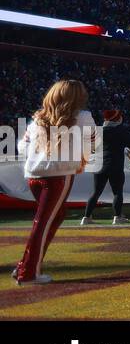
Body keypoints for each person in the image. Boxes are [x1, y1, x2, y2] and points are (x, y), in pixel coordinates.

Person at [13, 79, 97, 286]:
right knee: (43, 222)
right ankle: (29, 273)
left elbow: (22, 147)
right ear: (78, 97)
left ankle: (25, 265)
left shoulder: (38, 119)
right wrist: (80, 160)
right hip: (58, 176)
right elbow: (93, 144)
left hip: (33, 175)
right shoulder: (84, 117)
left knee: (55, 216)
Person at [81, 109, 130, 226]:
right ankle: (117, 217)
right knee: (117, 192)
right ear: (117, 119)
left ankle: (86, 217)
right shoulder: (121, 130)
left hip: (99, 166)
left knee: (96, 192)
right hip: (115, 165)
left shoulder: (98, 131)